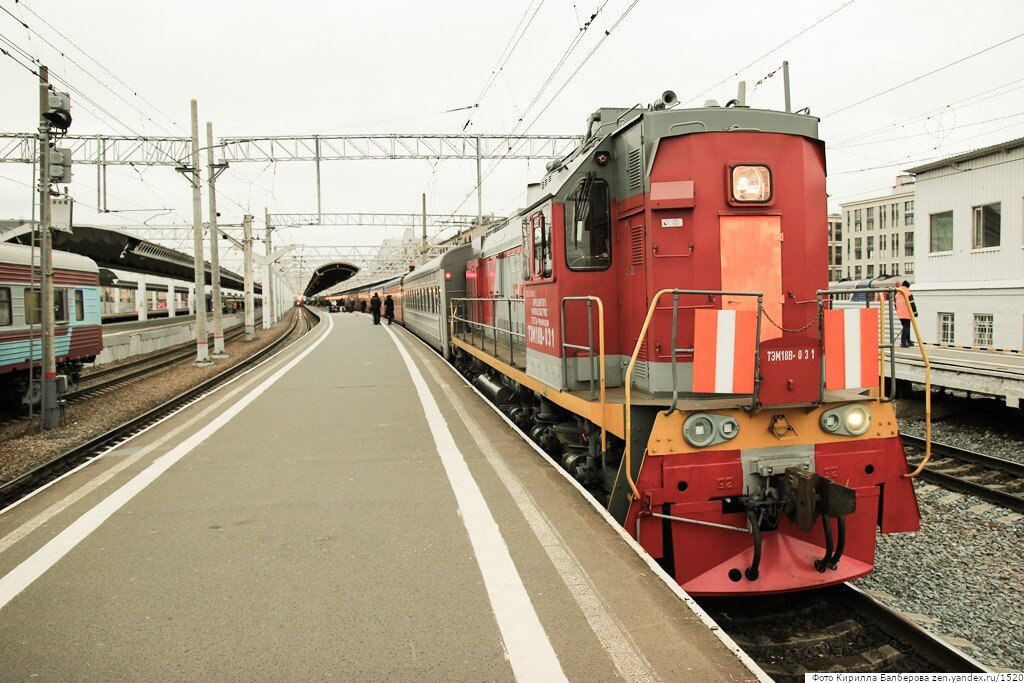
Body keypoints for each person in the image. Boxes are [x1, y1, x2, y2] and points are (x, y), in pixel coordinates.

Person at [894, 280, 917, 347]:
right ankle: (903, 343)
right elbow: (912, 304)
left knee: (906, 327)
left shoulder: (897, 293)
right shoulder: (908, 293)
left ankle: (908, 341)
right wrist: (915, 313)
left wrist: (898, 311)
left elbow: (895, 304)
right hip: (907, 313)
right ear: (907, 286)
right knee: (906, 327)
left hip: (900, 314)